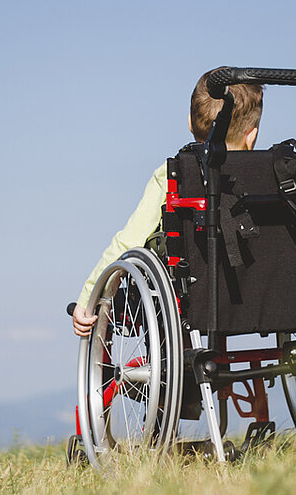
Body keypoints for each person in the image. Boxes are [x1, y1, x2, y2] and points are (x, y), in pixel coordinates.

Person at [71, 69, 264, 337]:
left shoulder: (175, 173)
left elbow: (130, 240)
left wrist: (88, 297)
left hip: (192, 299)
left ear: (190, 123)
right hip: (260, 297)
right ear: (251, 135)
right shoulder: (269, 178)